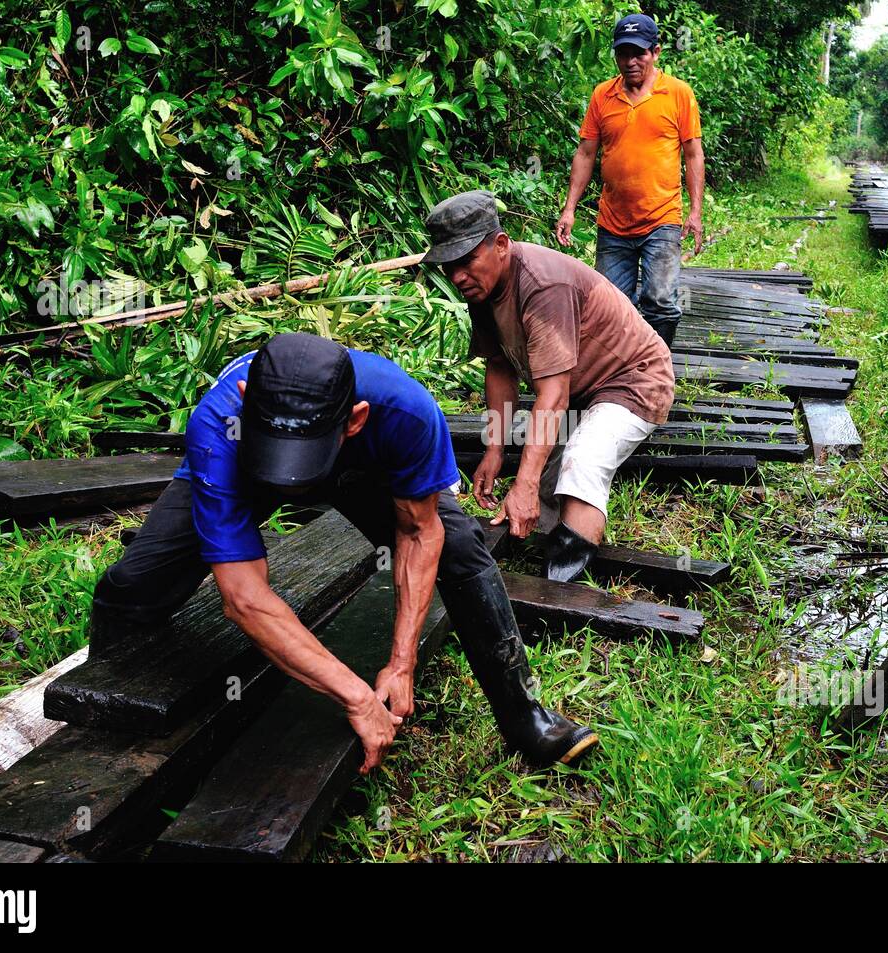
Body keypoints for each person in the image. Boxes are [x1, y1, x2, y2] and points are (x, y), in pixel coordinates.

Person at [89, 333, 597, 773]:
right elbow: (244, 596)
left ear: (355, 419)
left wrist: (401, 664)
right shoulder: (221, 421)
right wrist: (356, 696)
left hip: (361, 468)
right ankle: (106, 707)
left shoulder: (406, 413)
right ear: (245, 398)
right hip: (241, 464)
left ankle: (525, 715)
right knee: (134, 584)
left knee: (459, 546)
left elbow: (419, 533)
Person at [423, 190, 675, 582]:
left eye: (468, 260)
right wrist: (494, 450)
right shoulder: (480, 285)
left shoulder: (543, 285)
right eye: (448, 266)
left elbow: (552, 395)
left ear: (501, 245)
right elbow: (500, 367)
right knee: (544, 492)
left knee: (582, 462)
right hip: (580, 389)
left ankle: (562, 593)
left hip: (634, 380)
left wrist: (521, 484)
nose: (457, 277)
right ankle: (551, 546)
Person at [555, 13, 705, 348]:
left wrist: (695, 213)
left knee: (661, 301)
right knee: (611, 304)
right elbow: (585, 153)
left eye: (639, 53)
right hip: (613, 222)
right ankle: (625, 372)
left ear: (656, 52)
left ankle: (658, 370)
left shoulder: (678, 94)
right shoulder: (602, 96)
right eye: (624, 53)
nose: (631, 61)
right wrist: (569, 209)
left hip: (662, 218)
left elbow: (693, 155)